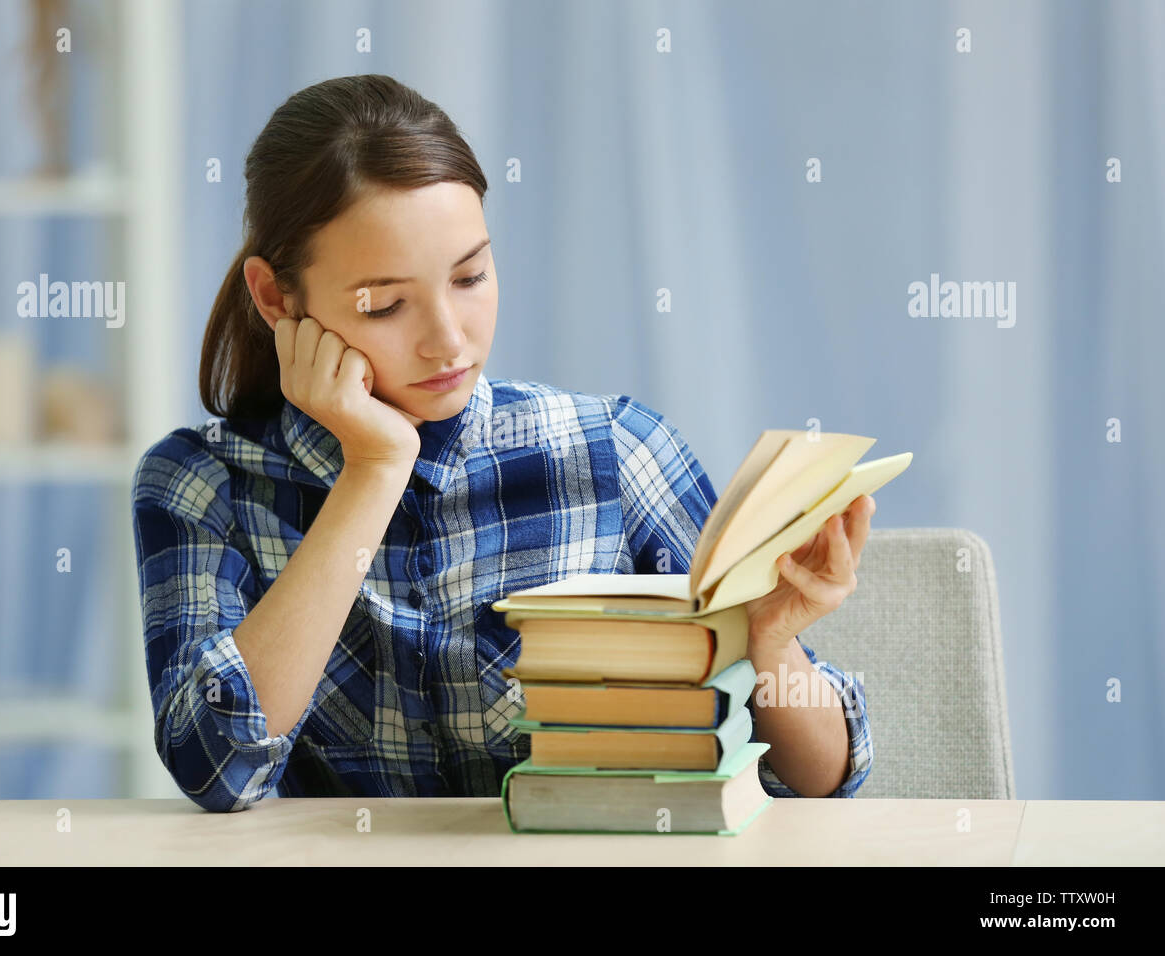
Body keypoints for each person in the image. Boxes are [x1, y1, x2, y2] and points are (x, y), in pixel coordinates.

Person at [131, 74, 874, 812]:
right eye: (386, 305)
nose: (448, 341)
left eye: (471, 276)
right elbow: (216, 769)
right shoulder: (203, 483)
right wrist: (375, 468)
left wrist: (771, 643)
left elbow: (820, 779)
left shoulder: (615, 452)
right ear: (275, 298)